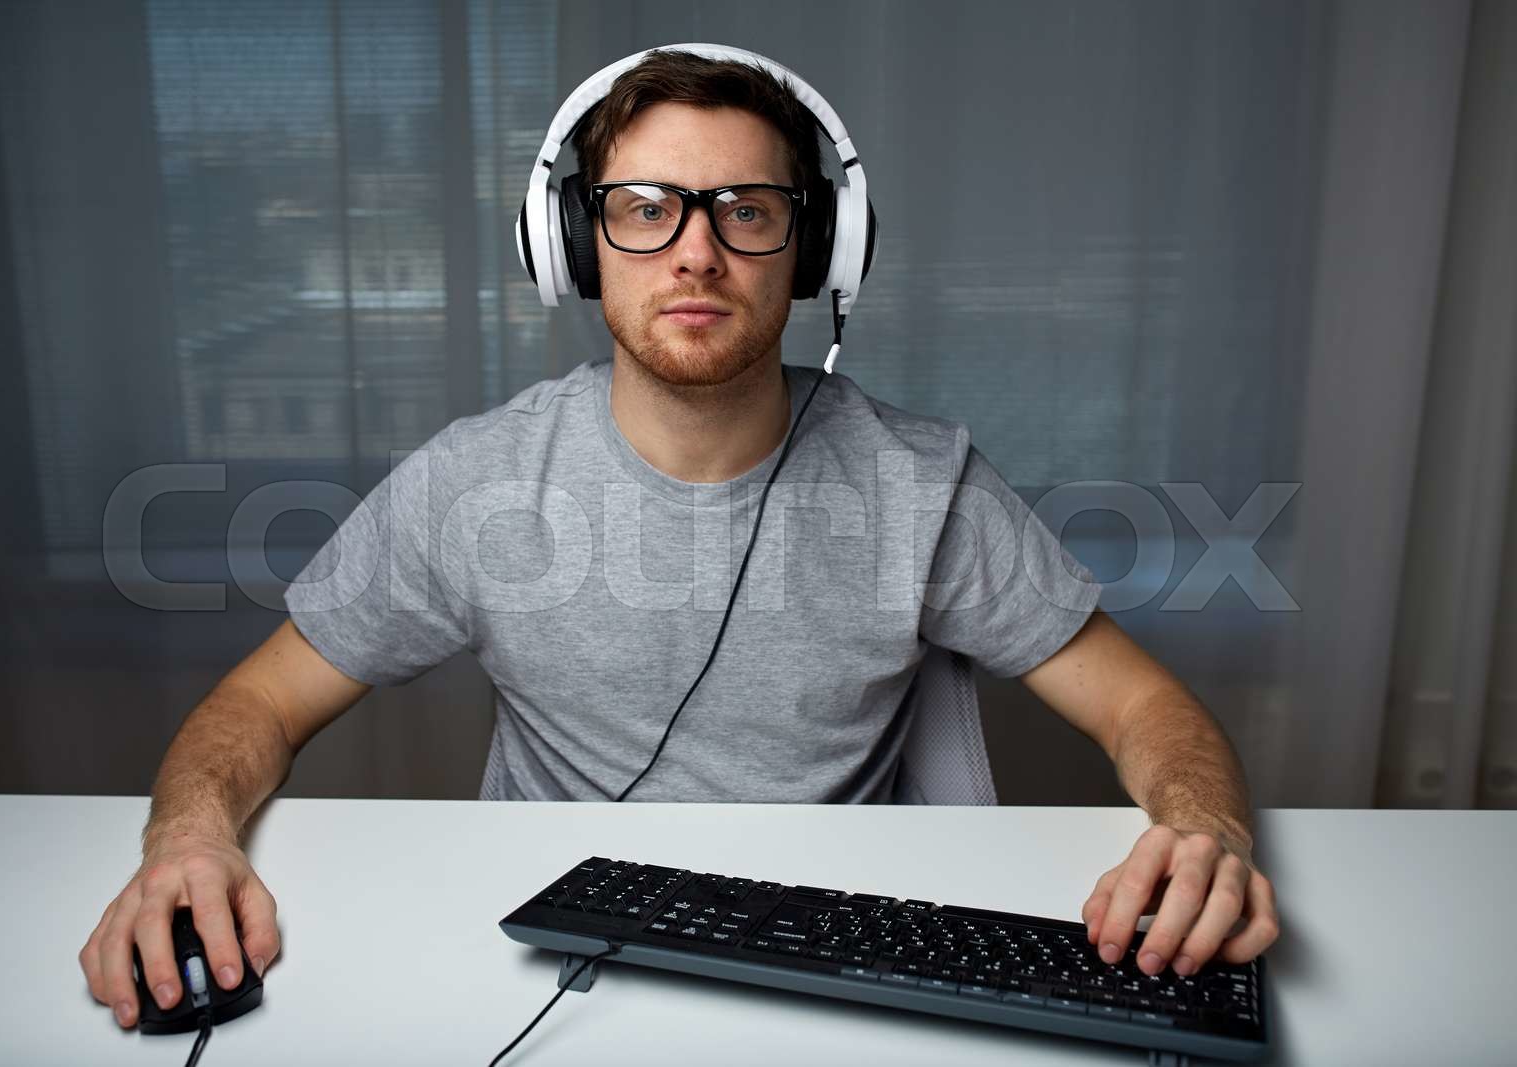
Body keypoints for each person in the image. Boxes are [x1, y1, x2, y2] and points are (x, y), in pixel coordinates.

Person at [81, 48, 1280, 1031]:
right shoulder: (475, 479)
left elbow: (1147, 707)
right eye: (645, 209)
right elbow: (257, 701)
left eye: (746, 211)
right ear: (575, 244)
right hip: (543, 975)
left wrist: (1204, 829)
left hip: (835, 974)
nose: (695, 252)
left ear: (815, 254)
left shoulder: (924, 483)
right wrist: (186, 841)